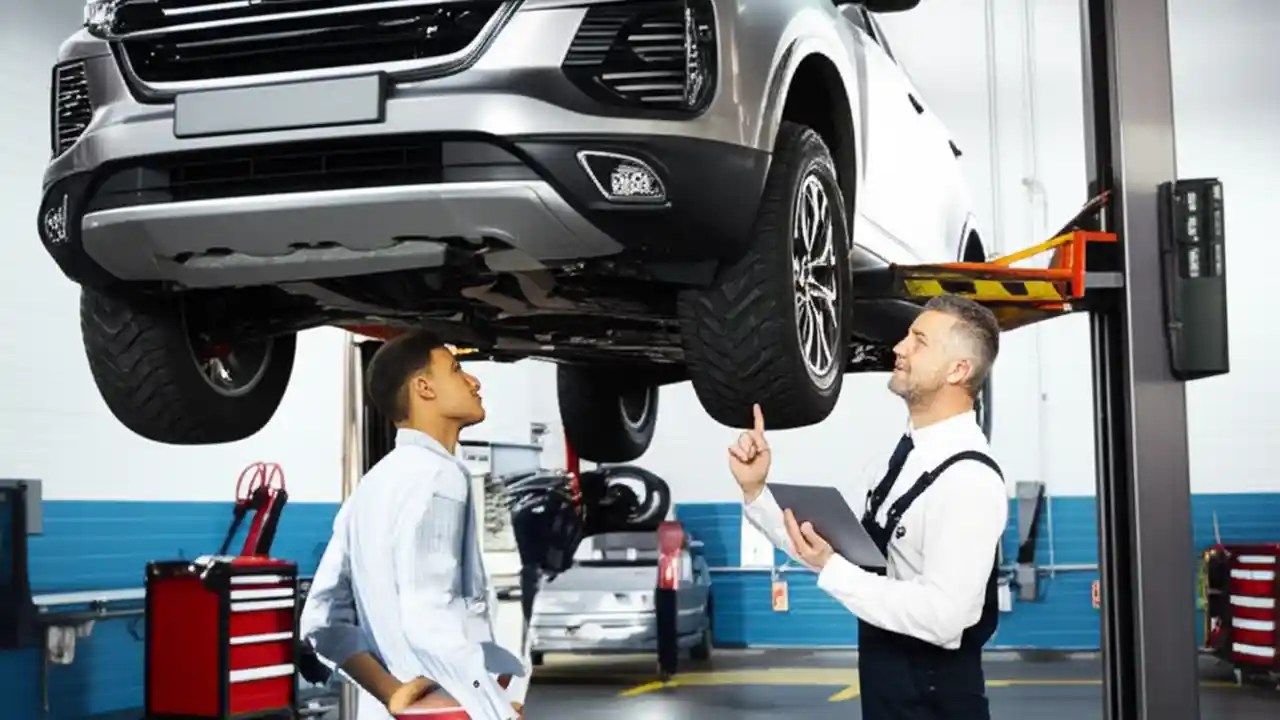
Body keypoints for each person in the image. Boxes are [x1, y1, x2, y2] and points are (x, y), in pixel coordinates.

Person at [729, 294, 1007, 720]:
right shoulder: (898, 460)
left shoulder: (969, 480)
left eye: (919, 341)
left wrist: (833, 570)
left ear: (958, 370)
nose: (899, 347)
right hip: (889, 700)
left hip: (937, 706)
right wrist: (757, 491)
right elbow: (826, 547)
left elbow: (944, 617)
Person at [300, 330, 527, 720]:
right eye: (457, 370)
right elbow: (431, 619)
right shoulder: (440, 478)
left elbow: (320, 621)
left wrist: (393, 693)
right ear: (424, 388)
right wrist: (491, 707)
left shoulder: (369, 488)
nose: (474, 381)